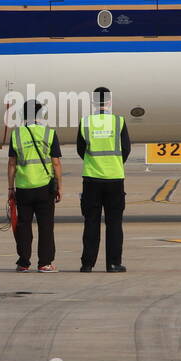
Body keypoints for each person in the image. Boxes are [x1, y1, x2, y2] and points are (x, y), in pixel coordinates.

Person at [76, 86, 131, 272]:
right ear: (110, 101)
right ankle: (113, 263)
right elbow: (126, 149)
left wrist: (94, 162)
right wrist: (114, 163)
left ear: (92, 102)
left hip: (91, 179)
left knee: (91, 222)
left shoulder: (86, 122)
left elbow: (80, 150)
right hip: (115, 178)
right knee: (114, 223)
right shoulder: (119, 122)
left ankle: (87, 264)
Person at [7, 99, 62, 272]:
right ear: (41, 114)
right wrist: (59, 186)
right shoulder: (49, 134)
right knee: (46, 226)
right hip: (45, 187)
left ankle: (23, 262)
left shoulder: (16, 135)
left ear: (24, 114)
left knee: (24, 225)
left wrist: (10, 188)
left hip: (23, 187)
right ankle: (45, 263)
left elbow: (11, 164)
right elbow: (56, 163)